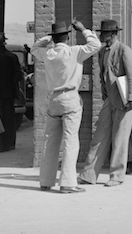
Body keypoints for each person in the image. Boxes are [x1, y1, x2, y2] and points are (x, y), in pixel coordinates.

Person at [32, 20, 101, 193]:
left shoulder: (48, 53)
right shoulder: (74, 51)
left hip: (53, 99)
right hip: (70, 97)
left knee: (50, 140)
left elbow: (34, 48)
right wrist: (83, 29)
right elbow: (95, 44)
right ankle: (68, 183)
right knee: (70, 140)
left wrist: (50, 38)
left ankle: (46, 180)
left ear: (54, 38)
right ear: (68, 36)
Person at [78, 19, 132, 187]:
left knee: (120, 139)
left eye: (105, 33)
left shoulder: (124, 50)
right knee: (99, 136)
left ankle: (117, 176)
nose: (102, 36)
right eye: (101, 33)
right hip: (110, 99)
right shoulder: (102, 51)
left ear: (113, 34)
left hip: (125, 99)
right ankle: (88, 174)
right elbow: (103, 74)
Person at [0, 32, 23, 152]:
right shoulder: (12, 57)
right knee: (9, 119)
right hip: (10, 93)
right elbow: (18, 75)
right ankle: (9, 144)